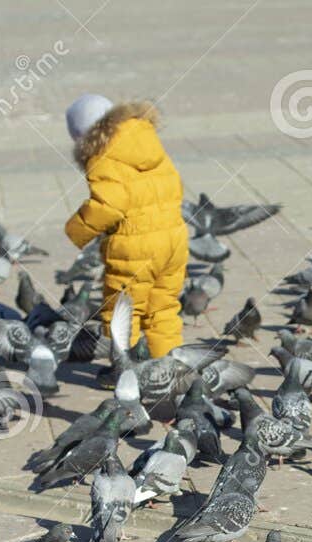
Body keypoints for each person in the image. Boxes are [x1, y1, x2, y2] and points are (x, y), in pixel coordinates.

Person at [64, 95, 187, 360]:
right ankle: (170, 369)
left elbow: (110, 204)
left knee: (122, 312)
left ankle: (125, 371)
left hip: (135, 248)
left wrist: (77, 229)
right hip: (174, 240)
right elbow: (175, 185)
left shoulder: (103, 153)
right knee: (163, 309)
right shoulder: (145, 137)